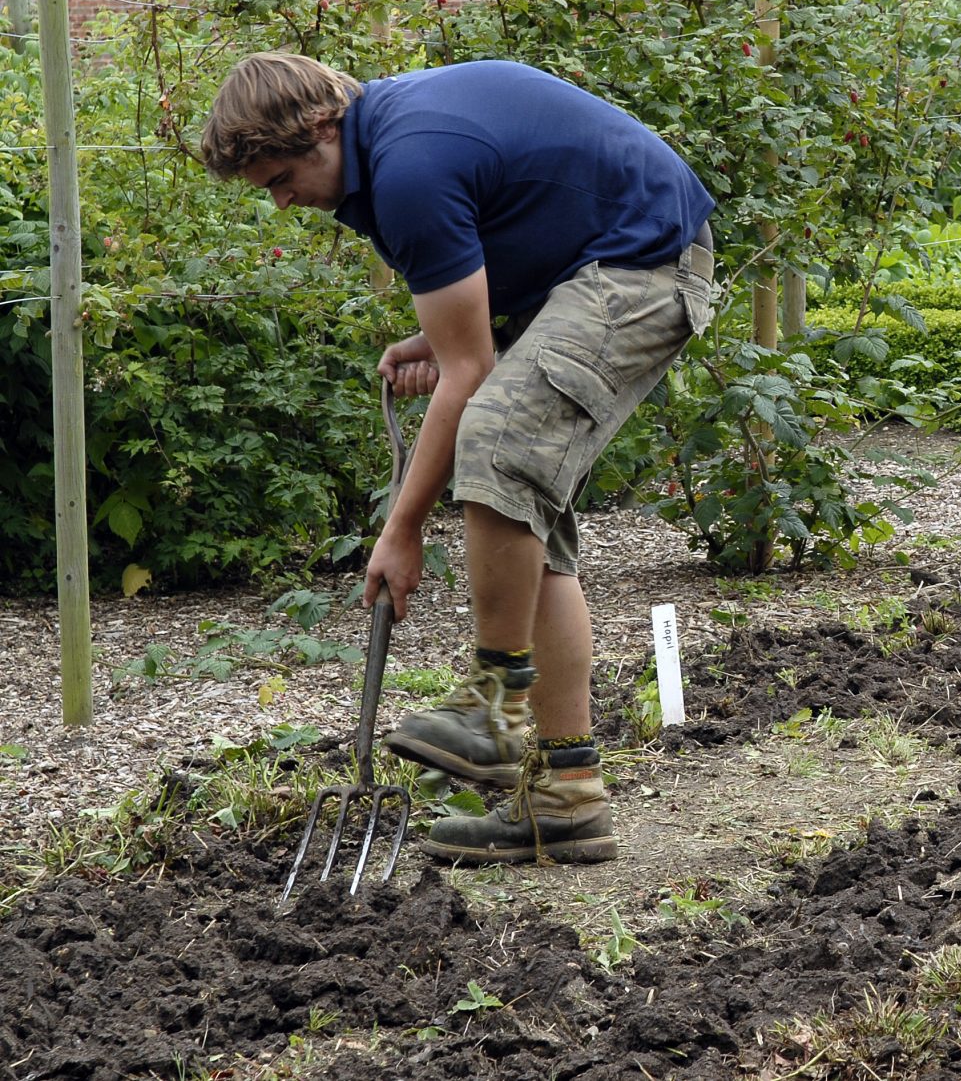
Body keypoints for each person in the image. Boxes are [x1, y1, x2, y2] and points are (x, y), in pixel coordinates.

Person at [200, 54, 716, 865]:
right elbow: (461, 344)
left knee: (497, 444)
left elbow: (469, 376)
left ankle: (493, 704)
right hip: (586, 272)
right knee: (528, 520)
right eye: (267, 187)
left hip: (645, 261)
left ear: (323, 128)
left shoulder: (408, 165)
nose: (281, 199)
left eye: (284, 176)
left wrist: (400, 531)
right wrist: (437, 345)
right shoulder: (384, 159)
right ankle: (566, 799)